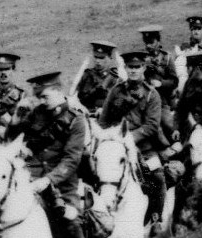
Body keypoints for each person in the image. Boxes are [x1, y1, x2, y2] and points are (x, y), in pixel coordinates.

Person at [6, 72, 92, 238]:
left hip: (61, 183)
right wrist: (16, 120)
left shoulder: (76, 119)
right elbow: (12, 139)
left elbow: (71, 160)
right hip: (30, 177)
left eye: (44, 96)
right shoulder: (37, 114)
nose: (41, 101)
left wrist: (48, 180)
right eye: (39, 97)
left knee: (71, 220)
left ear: (57, 91)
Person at [99, 52, 175, 226]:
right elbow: (103, 120)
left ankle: (156, 219)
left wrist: (128, 137)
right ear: (125, 68)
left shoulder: (151, 95)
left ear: (143, 68)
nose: (133, 71)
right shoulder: (116, 91)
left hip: (144, 149)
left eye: (137, 67)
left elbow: (151, 126)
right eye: (130, 67)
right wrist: (108, 138)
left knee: (158, 178)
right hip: (115, 145)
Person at [73, 41, 123, 119]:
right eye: (96, 57)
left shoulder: (115, 77)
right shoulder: (87, 75)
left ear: (110, 58)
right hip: (87, 114)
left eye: (101, 58)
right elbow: (80, 98)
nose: (97, 61)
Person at [139, 26, 179, 109]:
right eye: (146, 42)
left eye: (151, 42)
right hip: (145, 99)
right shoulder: (142, 58)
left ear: (158, 41)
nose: (148, 45)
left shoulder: (166, 58)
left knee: (167, 121)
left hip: (163, 100)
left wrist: (161, 83)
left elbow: (174, 82)